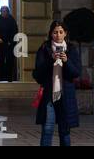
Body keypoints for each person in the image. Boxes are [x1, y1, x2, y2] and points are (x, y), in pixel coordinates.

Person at [33, 19, 81, 147]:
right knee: (47, 130)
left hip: (66, 95)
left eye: (61, 32)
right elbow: (37, 75)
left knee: (64, 132)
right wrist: (50, 60)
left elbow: (76, 73)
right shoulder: (44, 49)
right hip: (49, 95)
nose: (58, 35)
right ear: (50, 34)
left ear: (65, 33)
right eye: (55, 32)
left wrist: (66, 62)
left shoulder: (71, 49)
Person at [0, 5, 19, 82]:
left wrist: (10, 41)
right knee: (1, 60)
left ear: (7, 12)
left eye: (5, 11)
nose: (4, 13)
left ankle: (9, 77)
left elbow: (15, 31)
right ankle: (0, 77)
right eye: (2, 11)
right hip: (1, 43)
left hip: (10, 44)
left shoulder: (11, 19)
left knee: (9, 60)